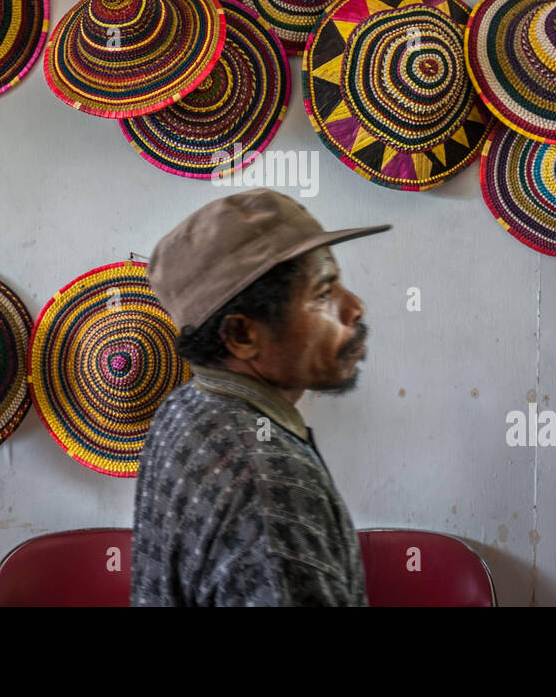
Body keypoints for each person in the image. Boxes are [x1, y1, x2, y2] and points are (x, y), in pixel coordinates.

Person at [130, 188, 389, 606]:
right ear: (241, 335)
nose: (354, 307)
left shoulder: (185, 408)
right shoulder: (271, 488)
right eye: (323, 294)